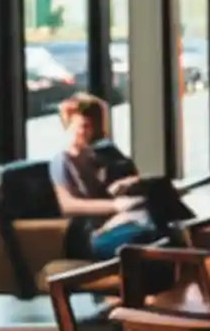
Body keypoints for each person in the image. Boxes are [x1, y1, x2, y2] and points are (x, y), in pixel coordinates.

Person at [49, 94, 156, 260]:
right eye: (82, 126)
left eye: (91, 127)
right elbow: (68, 205)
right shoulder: (62, 161)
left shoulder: (101, 154)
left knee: (160, 223)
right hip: (91, 233)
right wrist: (115, 205)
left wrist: (128, 184)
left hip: (120, 220)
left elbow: (128, 176)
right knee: (145, 236)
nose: (85, 132)